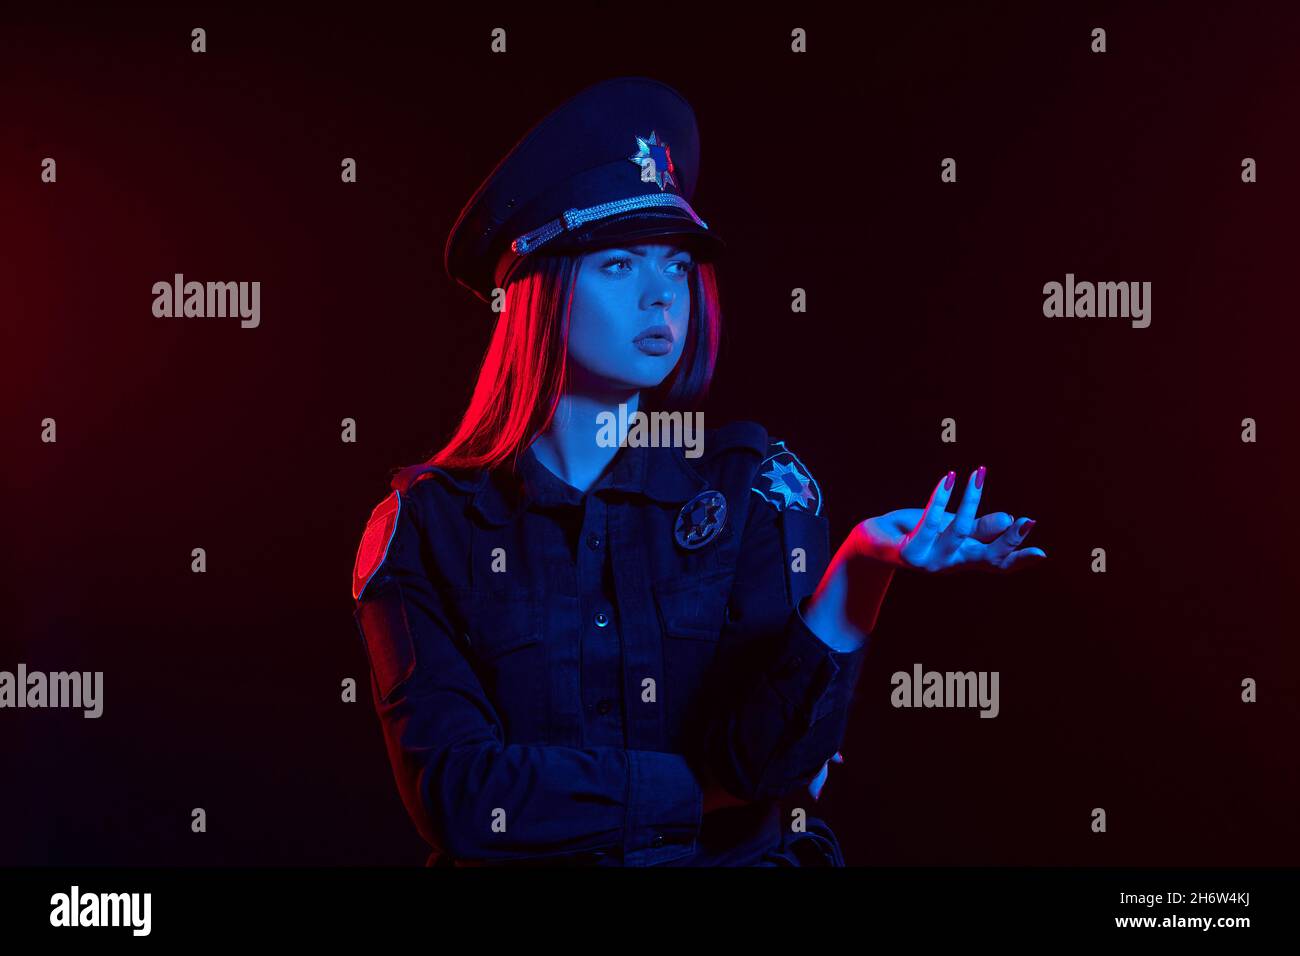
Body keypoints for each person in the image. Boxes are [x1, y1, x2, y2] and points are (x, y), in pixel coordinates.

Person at [349, 76, 1047, 867]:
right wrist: (700, 789)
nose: (661, 297)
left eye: (676, 265)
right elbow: (463, 801)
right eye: (618, 264)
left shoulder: (755, 484)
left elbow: (765, 762)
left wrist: (862, 570)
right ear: (534, 292)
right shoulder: (425, 528)